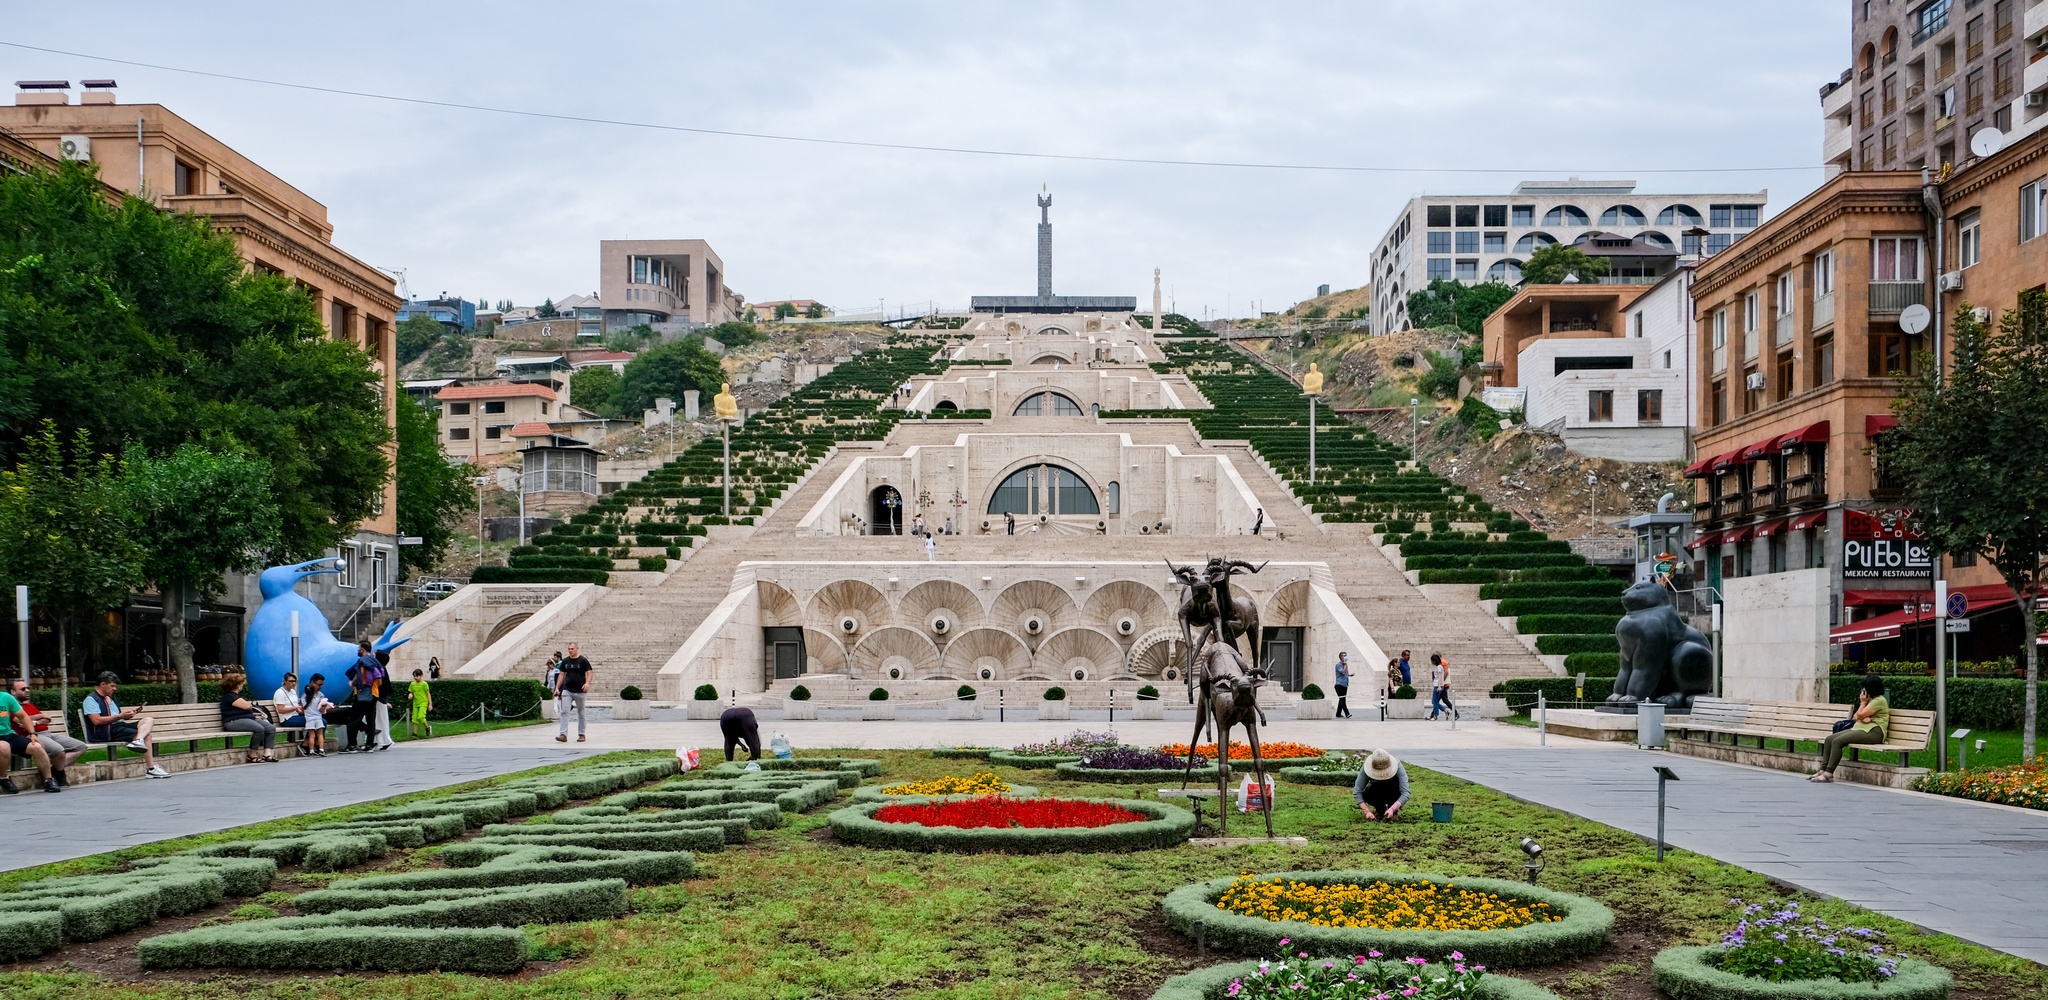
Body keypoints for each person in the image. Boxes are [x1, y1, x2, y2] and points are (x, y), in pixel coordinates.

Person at [82, 673, 168, 778]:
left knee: (148, 720)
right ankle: (151, 768)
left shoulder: (110, 698)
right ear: (103, 684)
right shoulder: (91, 700)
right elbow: (97, 721)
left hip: (119, 726)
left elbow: (117, 717)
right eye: (112, 686)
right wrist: (119, 716)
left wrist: (128, 715)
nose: (115, 689)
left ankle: (138, 740)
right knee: (147, 736)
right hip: (106, 731)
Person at [1814, 674, 1891, 783]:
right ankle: (1822, 770)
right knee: (1829, 739)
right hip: (1862, 728)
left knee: (1837, 742)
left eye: (1865, 688)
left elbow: (1859, 716)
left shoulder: (1879, 700)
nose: (1863, 691)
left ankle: (1828, 774)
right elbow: (1855, 717)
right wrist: (1863, 716)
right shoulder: (1871, 699)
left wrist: (1863, 704)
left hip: (1874, 732)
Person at [9, 678, 85, 785]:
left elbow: (47, 719)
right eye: (23, 689)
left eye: (27, 688)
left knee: (80, 746)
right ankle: (60, 774)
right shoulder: (12, 708)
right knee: (58, 750)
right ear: (13, 692)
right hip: (32, 736)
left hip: (48, 733)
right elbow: (22, 721)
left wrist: (36, 722)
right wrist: (40, 716)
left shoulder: (29, 705)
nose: (27, 690)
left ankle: (54, 769)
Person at [0, 683, 59, 792]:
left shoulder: (5, 697)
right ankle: (3, 779)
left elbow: (23, 716)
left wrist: (32, 734)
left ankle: (49, 780)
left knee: (37, 746)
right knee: (4, 747)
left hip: (9, 735)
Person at [219, 674, 279, 764]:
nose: (242, 686)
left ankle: (267, 754)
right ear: (237, 685)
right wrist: (250, 707)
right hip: (233, 722)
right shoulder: (230, 696)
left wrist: (256, 715)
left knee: (270, 728)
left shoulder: (236, 696)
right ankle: (252, 755)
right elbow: (247, 706)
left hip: (246, 719)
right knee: (259, 729)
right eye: (241, 684)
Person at [341, 640, 384, 752]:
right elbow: (380, 680)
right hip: (374, 694)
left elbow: (359, 675)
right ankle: (369, 745)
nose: (357, 650)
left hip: (362, 694)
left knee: (353, 719)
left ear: (362, 649)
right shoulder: (375, 661)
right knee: (371, 719)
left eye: (358, 648)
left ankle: (352, 745)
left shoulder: (362, 661)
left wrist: (352, 683)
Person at [1353, 749, 1410, 821]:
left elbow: (1405, 792)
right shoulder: (1365, 768)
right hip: (1376, 791)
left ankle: (1393, 812)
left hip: (1394, 791)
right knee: (1367, 792)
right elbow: (1357, 791)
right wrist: (1367, 811)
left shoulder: (1398, 766)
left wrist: (1392, 809)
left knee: (1395, 788)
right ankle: (1380, 809)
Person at [555, 642, 593, 743]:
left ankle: (582, 734)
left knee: (581, 712)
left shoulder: (583, 660)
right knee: (564, 711)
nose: (570, 651)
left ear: (577, 649)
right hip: (567, 689)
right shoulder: (566, 661)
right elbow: (562, 674)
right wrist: (557, 687)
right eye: (569, 649)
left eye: (572, 649)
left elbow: (589, 672)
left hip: (580, 690)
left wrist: (587, 683)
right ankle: (563, 734)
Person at [301, 673, 334, 757]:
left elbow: (304, 707)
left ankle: (311, 749)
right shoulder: (308, 695)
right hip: (317, 717)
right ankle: (320, 749)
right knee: (320, 732)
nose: (320, 687)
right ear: (312, 682)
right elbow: (321, 709)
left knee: (312, 734)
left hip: (309, 718)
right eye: (318, 684)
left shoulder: (319, 695)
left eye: (322, 685)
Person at [408, 669, 434, 738]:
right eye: (414, 676)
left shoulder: (424, 684)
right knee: (414, 718)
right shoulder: (412, 684)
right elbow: (411, 692)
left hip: (423, 702)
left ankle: (427, 728)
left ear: (421, 675)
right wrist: (410, 695)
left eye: (417, 676)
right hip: (415, 703)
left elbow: (428, 694)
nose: (415, 678)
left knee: (421, 716)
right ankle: (414, 733)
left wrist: (430, 704)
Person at [1427, 653, 1452, 721]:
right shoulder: (1439, 667)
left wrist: (1439, 686)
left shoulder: (1439, 667)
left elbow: (1440, 677)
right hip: (1437, 685)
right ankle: (1445, 710)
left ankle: (1435, 716)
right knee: (1434, 701)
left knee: (1435, 701)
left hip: (1437, 686)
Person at [1333, 652, 1352, 719]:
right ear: (1340, 657)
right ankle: (1347, 713)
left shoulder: (1345, 665)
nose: (1345, 657)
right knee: (1342, 699)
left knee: (1341, 699)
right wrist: (1345, 665)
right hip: (1339, 685)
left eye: (1346, 655)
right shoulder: (1338, 665)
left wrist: (1350, 675)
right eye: (1344, 656)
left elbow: (1345, 673)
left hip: (1345, 684)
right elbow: (1343, 672)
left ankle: (1338, 713)